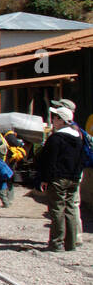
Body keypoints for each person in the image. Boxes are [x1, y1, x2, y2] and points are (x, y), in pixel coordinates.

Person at [37, 104, 84, 252]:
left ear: (61, 120)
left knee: (57, 210)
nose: (53, 120)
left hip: (58, 178)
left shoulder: (56, 138)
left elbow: (49, 160)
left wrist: (44, 178)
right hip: (73, 178)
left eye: (55, 118)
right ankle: (70, 243)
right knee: (70, 209)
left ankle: (56, 242)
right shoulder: (78, 137)